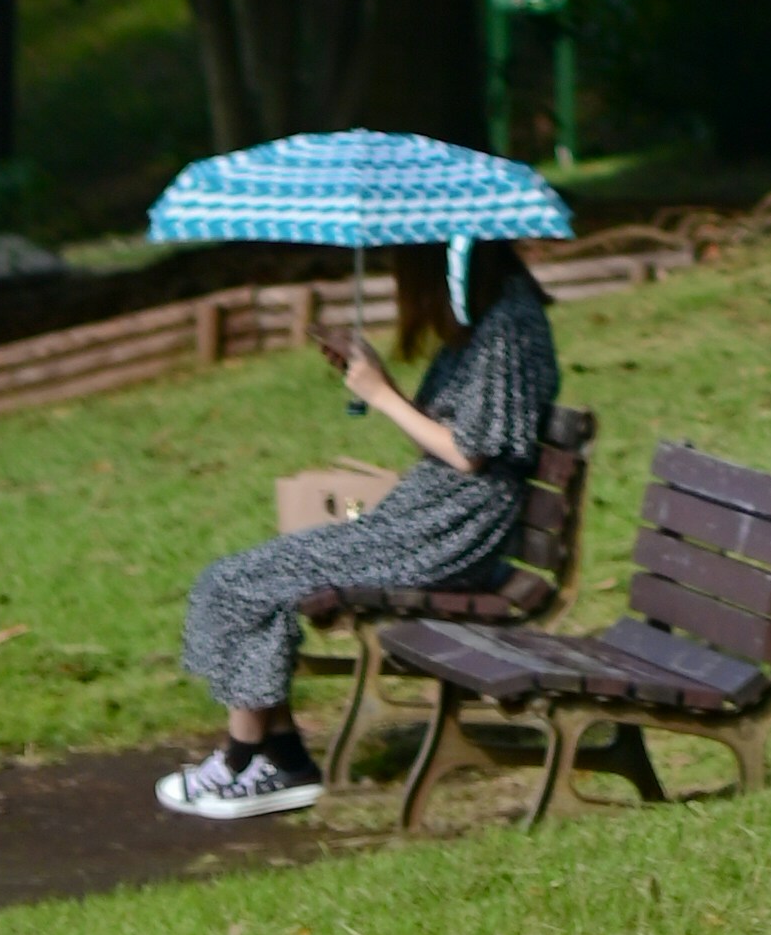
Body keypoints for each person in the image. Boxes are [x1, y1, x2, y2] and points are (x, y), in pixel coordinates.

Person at [158, 234, 561, 822]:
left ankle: (248, 761)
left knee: (240, 582)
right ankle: (275, 758)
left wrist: (381, 397)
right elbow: (450, 436)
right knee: (240, 578)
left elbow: (471, 454)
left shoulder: (508, 327)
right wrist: (375, 379)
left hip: (447, 534)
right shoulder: (489, 317)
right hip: (426, 519)